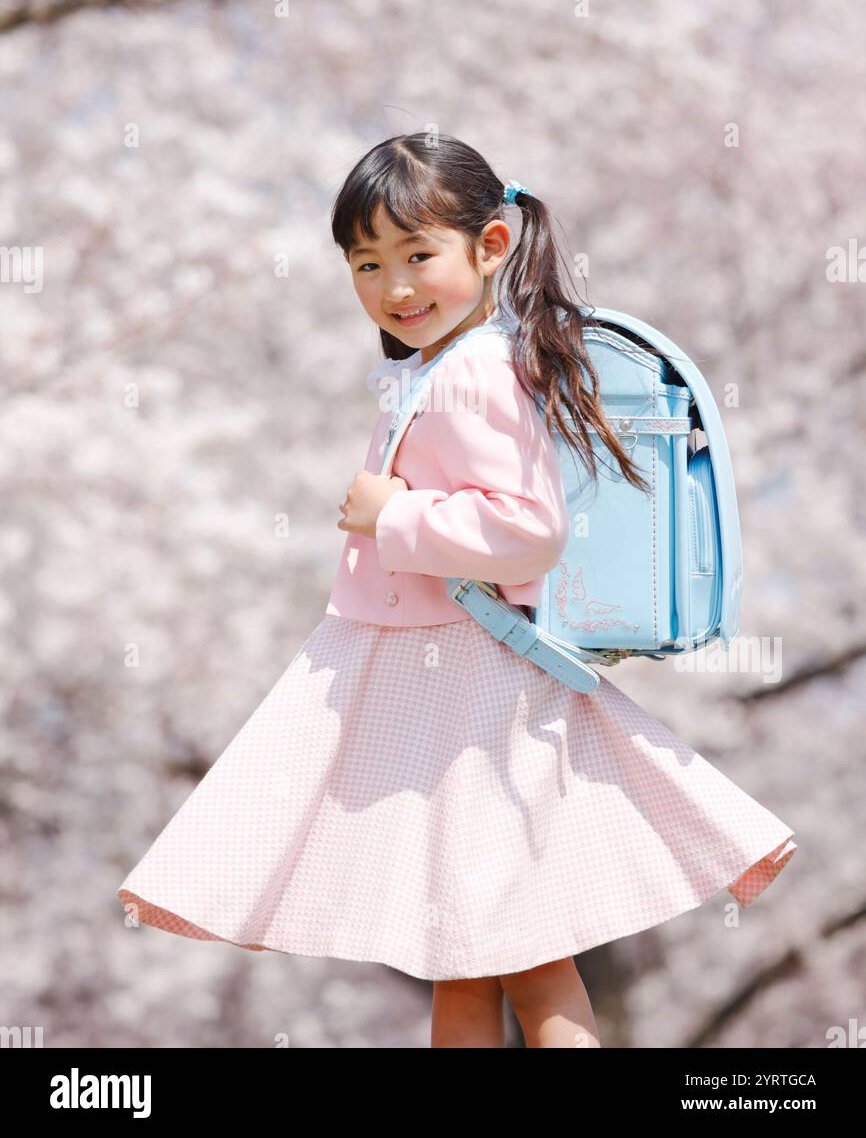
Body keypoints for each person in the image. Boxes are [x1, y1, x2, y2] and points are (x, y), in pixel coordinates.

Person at [116, 132, 797, 1048]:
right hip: (449, 684)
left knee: (522, 951)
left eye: (417, 255)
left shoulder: (474, 372)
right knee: (469, 952)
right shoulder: (448, 366)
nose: (394, 287)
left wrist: (390, 518)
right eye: (367, 263)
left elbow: (527, 530)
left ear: (491, 248)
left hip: (469, 689)